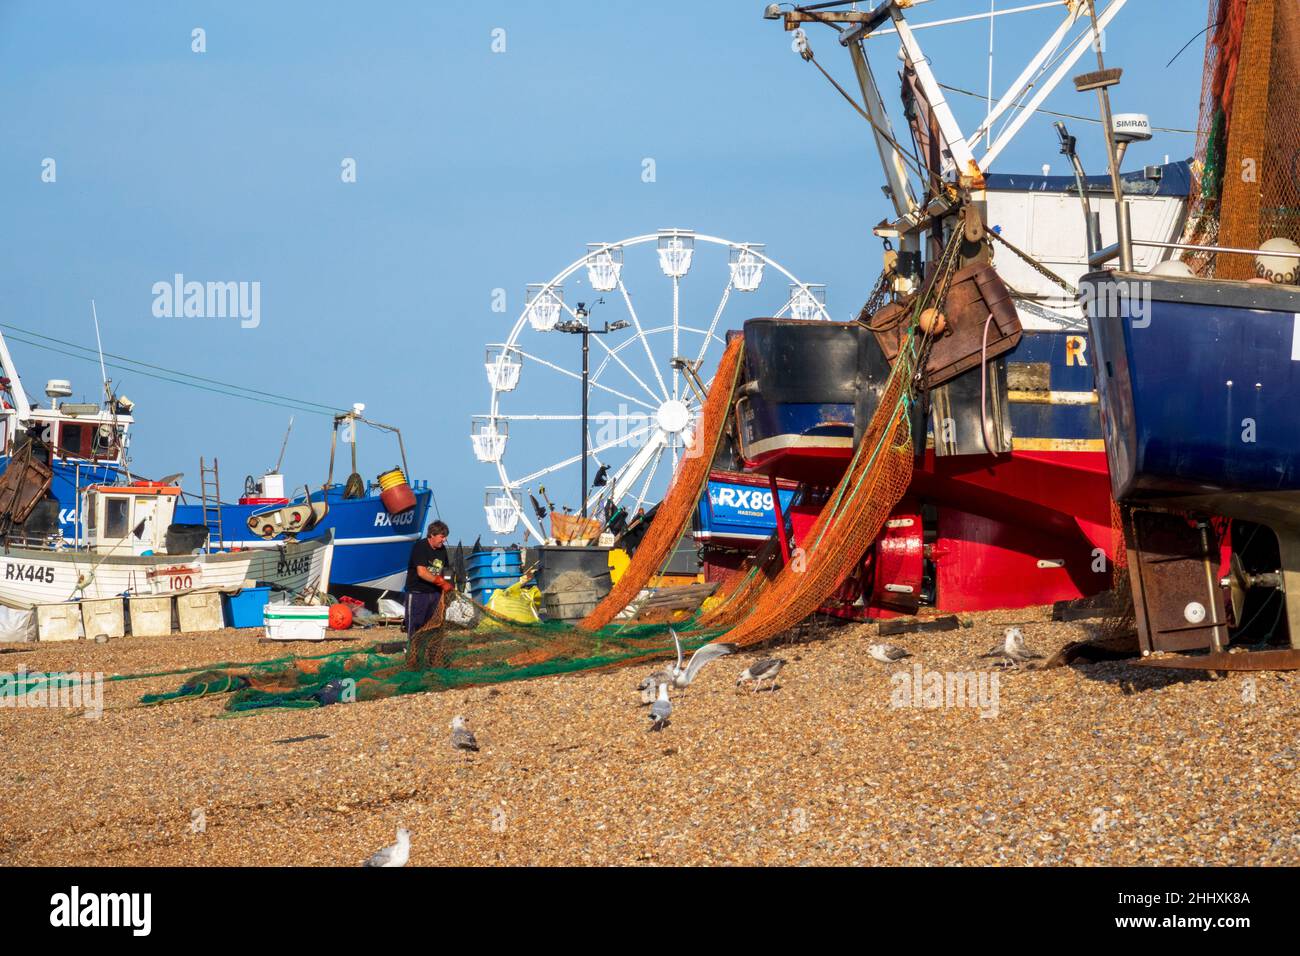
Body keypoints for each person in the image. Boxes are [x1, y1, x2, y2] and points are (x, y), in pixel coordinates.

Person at [405, 520, 453, 637]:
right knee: (416, 625)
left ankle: (430, 652)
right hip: (418, 593)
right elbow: (422, 572)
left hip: (435, 594)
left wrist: (449, 584)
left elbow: (445, 570)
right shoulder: (420, 546)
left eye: (445, 537)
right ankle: (413, 651)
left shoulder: (442, 550)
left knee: (433, 626)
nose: (444, 540)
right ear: (432, 535)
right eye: (442, 536)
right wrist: (440, 582)